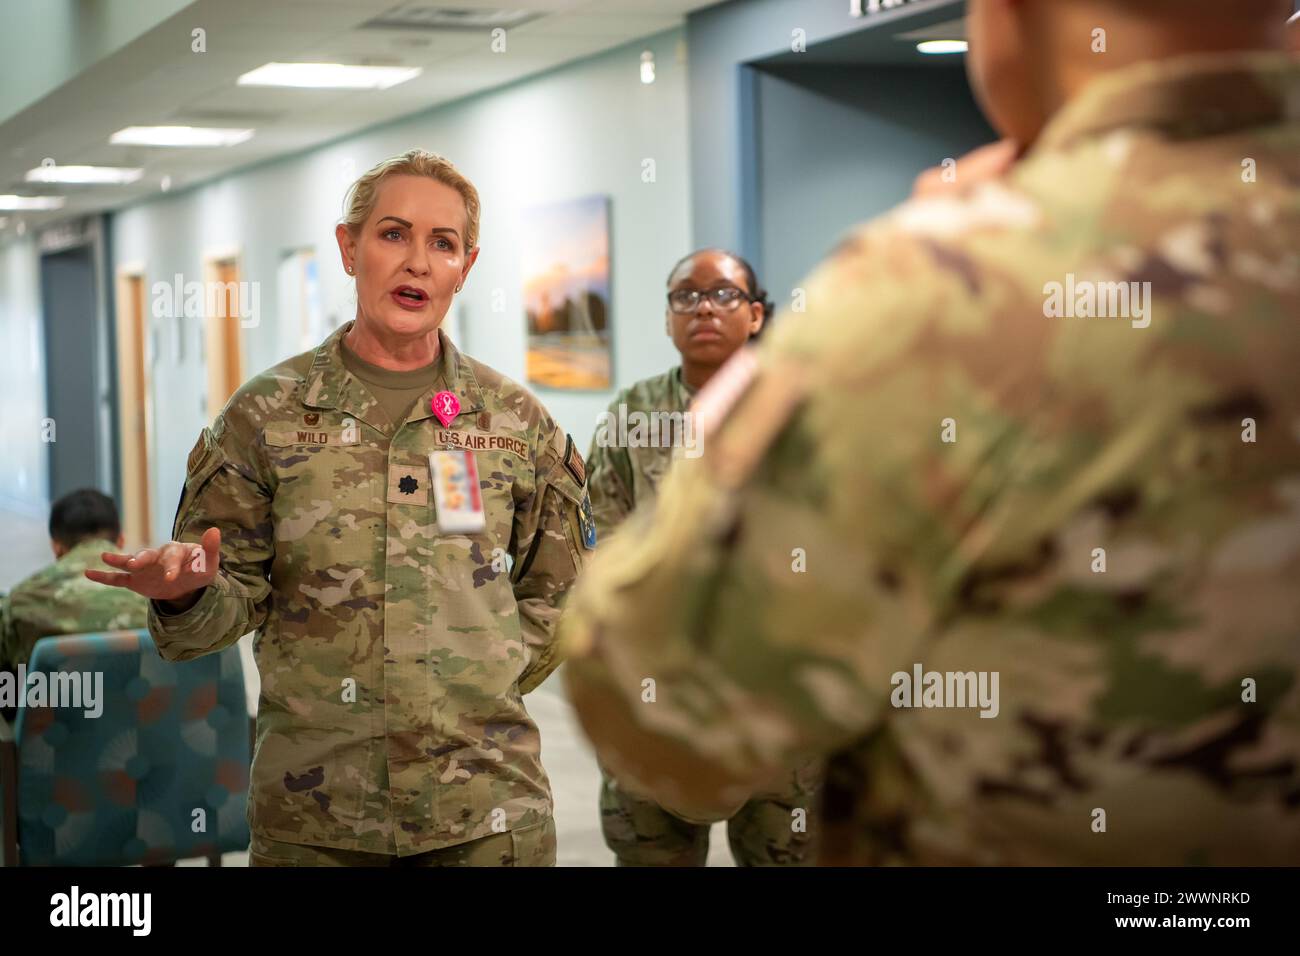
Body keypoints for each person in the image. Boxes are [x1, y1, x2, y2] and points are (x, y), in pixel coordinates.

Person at [558, 0, 1300, 865]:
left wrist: (798, 369)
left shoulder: (934, 294)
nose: (705, 313)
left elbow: (658, 710)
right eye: (688, 299)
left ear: (1007, 15)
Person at [88, 149, 593, 867]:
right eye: (393, 234)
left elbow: (562, 587)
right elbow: (220, 610)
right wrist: (187, 596)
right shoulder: (264, 417)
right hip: (317, 814)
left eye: (442, 244)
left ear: (466, 268)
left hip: (485, 810)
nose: (417, 262)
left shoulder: (514, 421)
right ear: (348, 248)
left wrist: (485, 669)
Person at [585, 249, 820, 866]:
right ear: (667, 321)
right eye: (685, 297)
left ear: (758, 315)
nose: (704, 308)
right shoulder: (632, 417)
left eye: (724, 294)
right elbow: (602, 549)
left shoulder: (804, 413)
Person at [1, 489, 147, 671]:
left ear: (56, 547)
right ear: (121, 540)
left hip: (55, 698)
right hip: (145, 698)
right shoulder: (157, 594)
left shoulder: (20, 600)